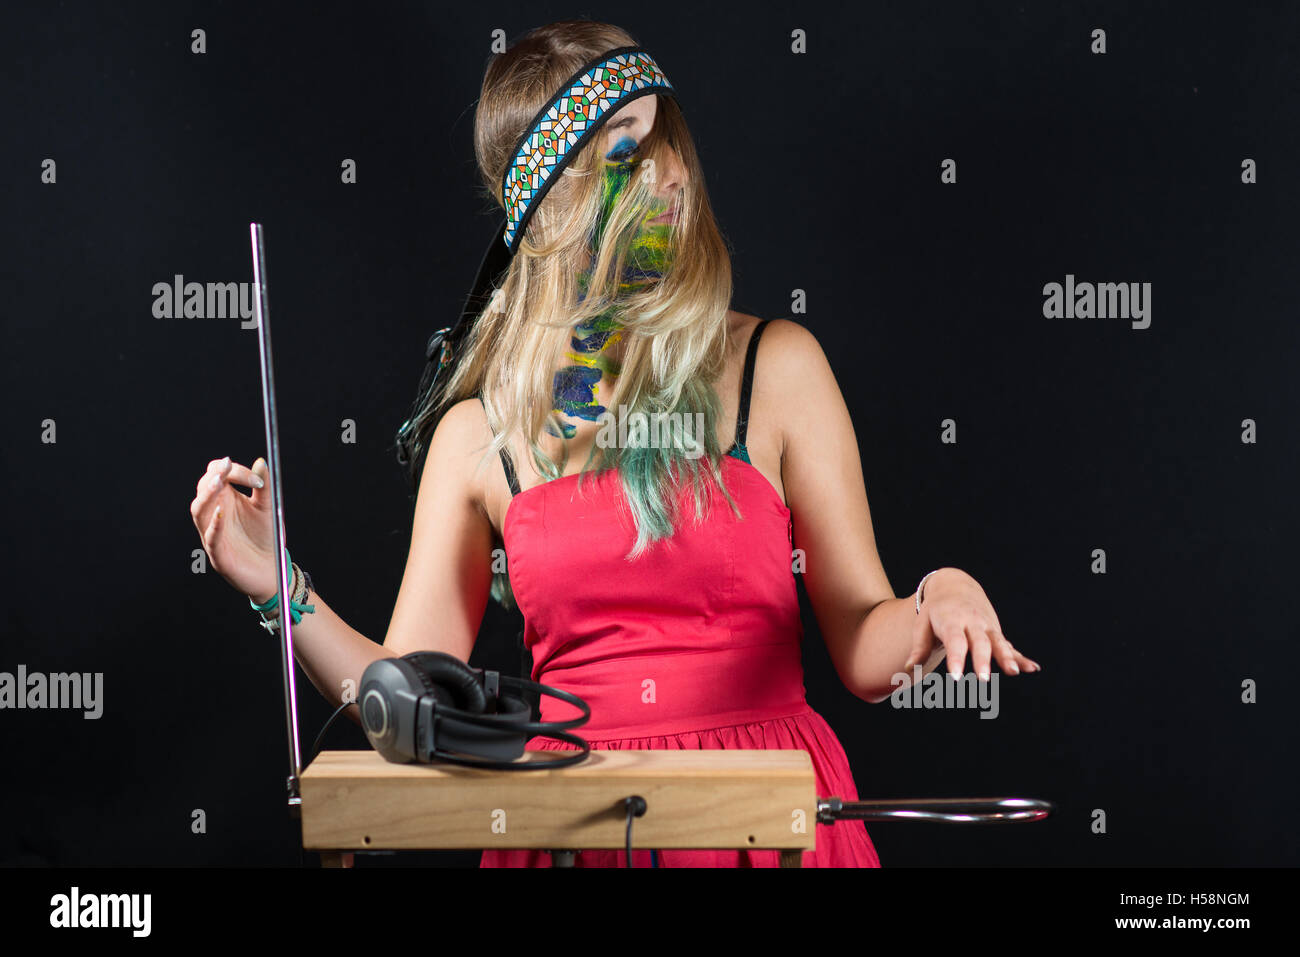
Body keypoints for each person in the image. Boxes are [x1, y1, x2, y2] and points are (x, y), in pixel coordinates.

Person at [189, 19, 1040, 867]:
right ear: (552, 209)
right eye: (624, 155)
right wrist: (278, 585)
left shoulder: (777, 368)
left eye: (663, 135)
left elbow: (864, 649)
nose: (668, 172)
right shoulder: (479, 440)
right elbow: (411, 708)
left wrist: (940, 596)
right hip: (568, 830)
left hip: (769, 821)